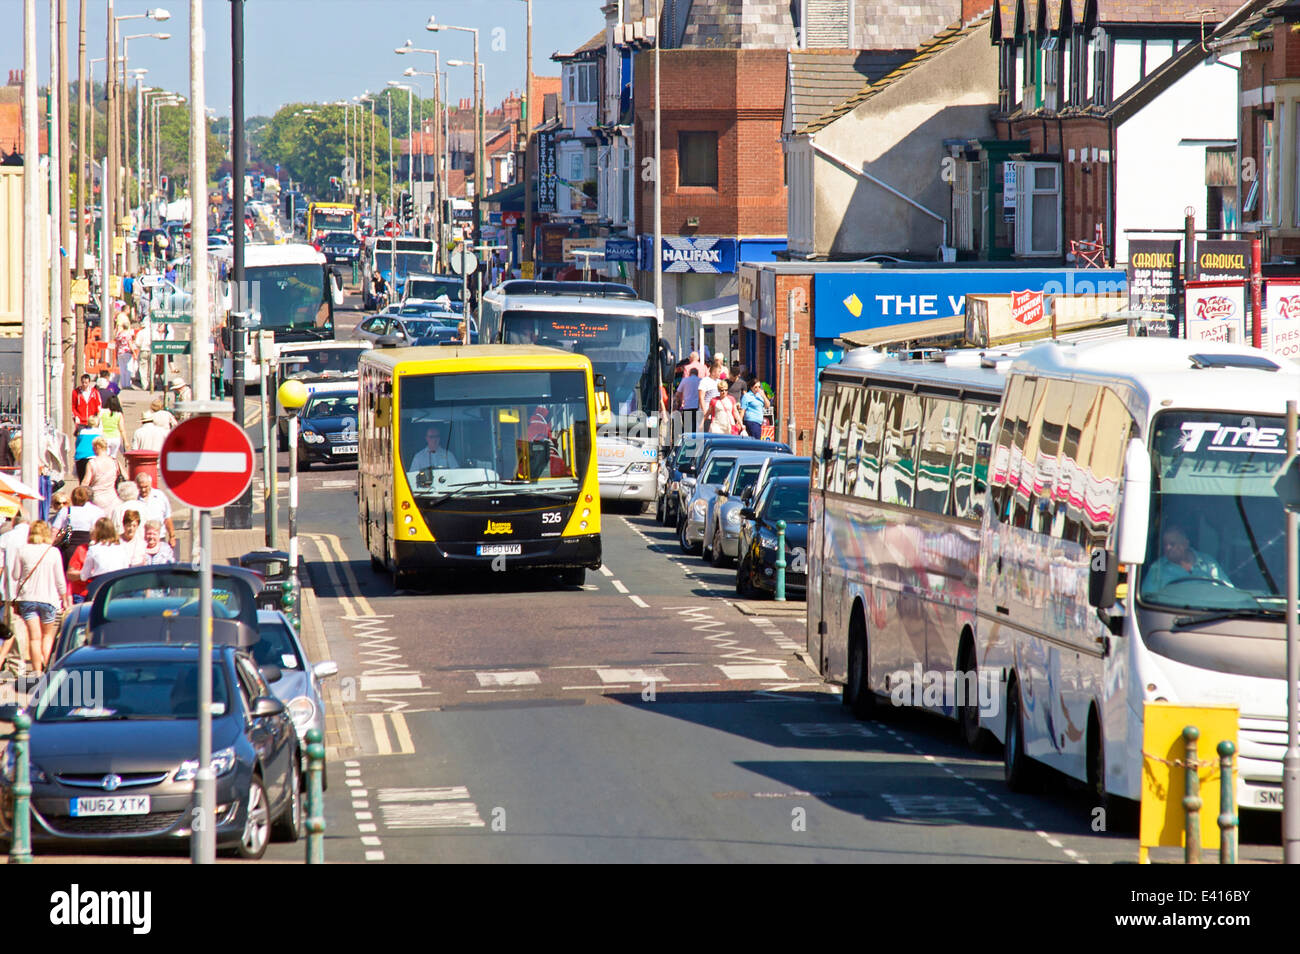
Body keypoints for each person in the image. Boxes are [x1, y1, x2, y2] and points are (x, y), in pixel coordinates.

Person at [12, 520, 70, 676]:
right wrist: (64, 597)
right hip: (49, 599)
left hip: (28, 598)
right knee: (47, 636)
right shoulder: (53, 552)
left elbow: (15, 575)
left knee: (34, 638)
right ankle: (48, 668)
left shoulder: (22, 550)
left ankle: (37, 672)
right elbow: (60, 580)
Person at [1141, 524, 1234, 594]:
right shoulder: (1157, 569)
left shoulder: (1208, 563)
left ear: (1185, 544)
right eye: (1165, 544)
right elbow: (1147, 596)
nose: (1167, 548)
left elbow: (1229, 591)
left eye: (1172, 544)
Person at [53, 485, 106, 568]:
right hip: (88, 548)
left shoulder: (66, 511)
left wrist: (49, 546)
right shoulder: (97, 511)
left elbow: (54, 531)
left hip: (69, 549)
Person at [80, 517, 131, 584]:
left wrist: (93, 573)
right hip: (118, 586)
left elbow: (84, 576)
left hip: (101, 585)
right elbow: (126, 569)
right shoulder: (122, 548)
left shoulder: (94, 549)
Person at [134, 472, 176, 549]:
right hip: (141, 540)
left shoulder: (160, 496)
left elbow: (167, 518)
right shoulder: (134, 499)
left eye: (146, 487)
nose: (143, 490)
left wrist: (172, 536)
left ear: (150, 483)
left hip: (159, 538)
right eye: (140, 487)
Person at [83, 437, 121, 512]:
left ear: (97, 447)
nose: (93, 449)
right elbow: (126, 476)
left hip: (97, 498)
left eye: (93, 447)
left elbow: (85, 482)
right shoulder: (115, 462)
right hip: (113, 497)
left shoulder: (92, 462)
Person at [73, 416, 103, 483]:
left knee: (82, 479)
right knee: (93, 480)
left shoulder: (82, 432)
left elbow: (77, 444)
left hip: (80, 457)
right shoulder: (99, 433)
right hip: (93, 456)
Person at [100, 392, 127, 460]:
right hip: (115, 438)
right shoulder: (119, 414)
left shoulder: (102, 412)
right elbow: (122, 429)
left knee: (105, 458)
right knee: (113, 458)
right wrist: (125, 441)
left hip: (104, 437)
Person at [674, 367, 701, 435]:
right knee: (695, 427)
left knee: (687, 427)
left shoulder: (685, 380)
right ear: (697, 374)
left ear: (689, 373)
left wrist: (680, 401)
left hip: (687, 406)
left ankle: (686, 442)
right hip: (697, 407)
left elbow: (678, 393)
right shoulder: (700, 380)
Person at [114, 314, 136, 390]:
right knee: (128, 368)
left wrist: (116, 353)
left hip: (120, 352)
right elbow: (130, 344)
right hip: (127, 352)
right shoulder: (128, 334)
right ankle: (127, 384)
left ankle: (123, 384)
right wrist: (134, 352)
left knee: (122, 369)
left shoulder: (119, 334)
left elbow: (116, 344)